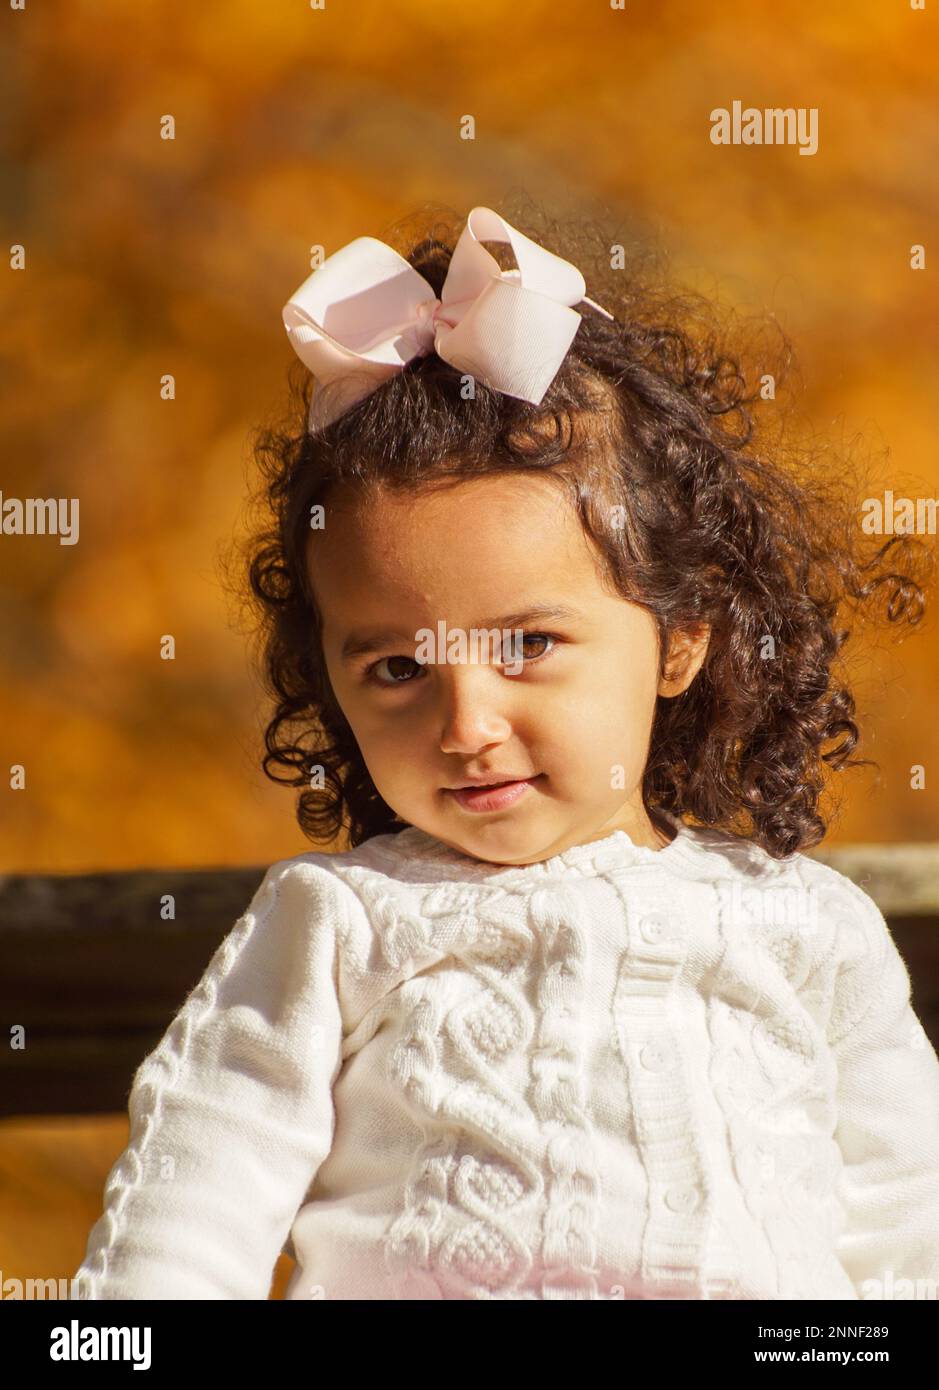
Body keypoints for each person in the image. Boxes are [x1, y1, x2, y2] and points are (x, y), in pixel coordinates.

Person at [73, 202, 939, 1301]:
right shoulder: (339, 925)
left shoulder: (806, 926)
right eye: (398, 667)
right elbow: (191, 1206)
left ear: (681, 636)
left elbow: (907, 1230)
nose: (467, 723)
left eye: (528, 645)